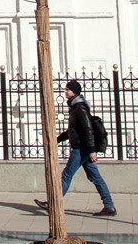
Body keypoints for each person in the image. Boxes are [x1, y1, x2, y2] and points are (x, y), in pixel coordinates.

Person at [47, 80, 115, 217]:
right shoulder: (75, 106)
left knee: (66, 175)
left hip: (81, 149)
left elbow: (88, 129)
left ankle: (53, 204)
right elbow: (74, 130)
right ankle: (109, 206)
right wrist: (58, 140)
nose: (65, 92)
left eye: (67, 89)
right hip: (84, 148)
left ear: (74, 91)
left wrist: (92, 150)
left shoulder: (79, 107)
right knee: (95, 177)